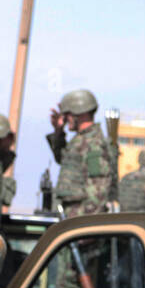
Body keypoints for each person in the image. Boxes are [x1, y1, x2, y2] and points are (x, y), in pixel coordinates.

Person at [47, 89, 116, 218]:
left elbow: (98, 189)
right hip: (73, 215)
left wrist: (86, 228)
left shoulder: (93, 143)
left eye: (67, 115)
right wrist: (58, 131)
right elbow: (62, 159)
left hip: (81, 218)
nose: (65, 120)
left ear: (78, 114)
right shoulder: (81, 140)